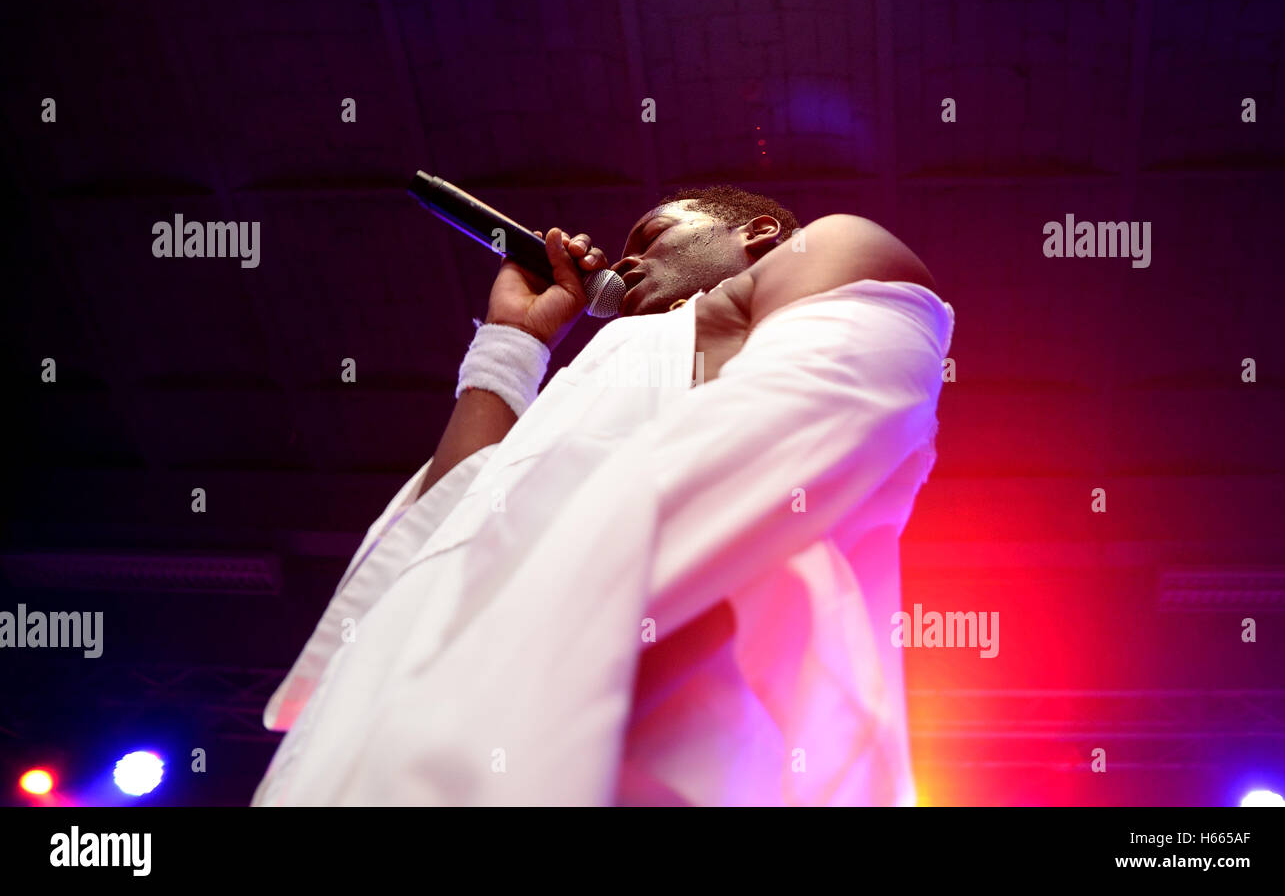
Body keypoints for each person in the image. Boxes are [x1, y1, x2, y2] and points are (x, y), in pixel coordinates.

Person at [252, 186, 955, 806]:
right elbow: (436, 545)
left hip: (638, 752)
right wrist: (513, 343)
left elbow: (796, 435)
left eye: (648, 238)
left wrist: (499, 702)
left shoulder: (828, 248)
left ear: (759, 234)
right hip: (400, 750)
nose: (618, 266)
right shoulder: (596, 385)